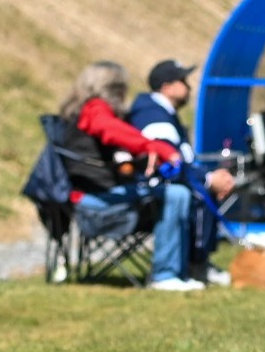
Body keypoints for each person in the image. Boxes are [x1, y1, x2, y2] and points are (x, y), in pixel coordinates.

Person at [56, 62, 196, 291]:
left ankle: (176, 271)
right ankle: (165, 275)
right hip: (93, 201)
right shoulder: (94, 109)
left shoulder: (81, 110)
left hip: (91, 196)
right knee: (177, 194)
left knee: (173, 193)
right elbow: (110, 130)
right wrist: (154, 147)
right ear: (112, 87)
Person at [127, 60, 236, 286]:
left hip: (173, 182)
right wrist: (208, 179)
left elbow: (184, 160)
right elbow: (171, 165)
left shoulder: (168, 114)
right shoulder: (153, 115)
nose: (189, 87)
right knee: (191, 193)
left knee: (199, 189)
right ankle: (185, 268)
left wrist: (213, 177)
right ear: (167, 88)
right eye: (183, 81)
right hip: (151, 189)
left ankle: (198, 264)